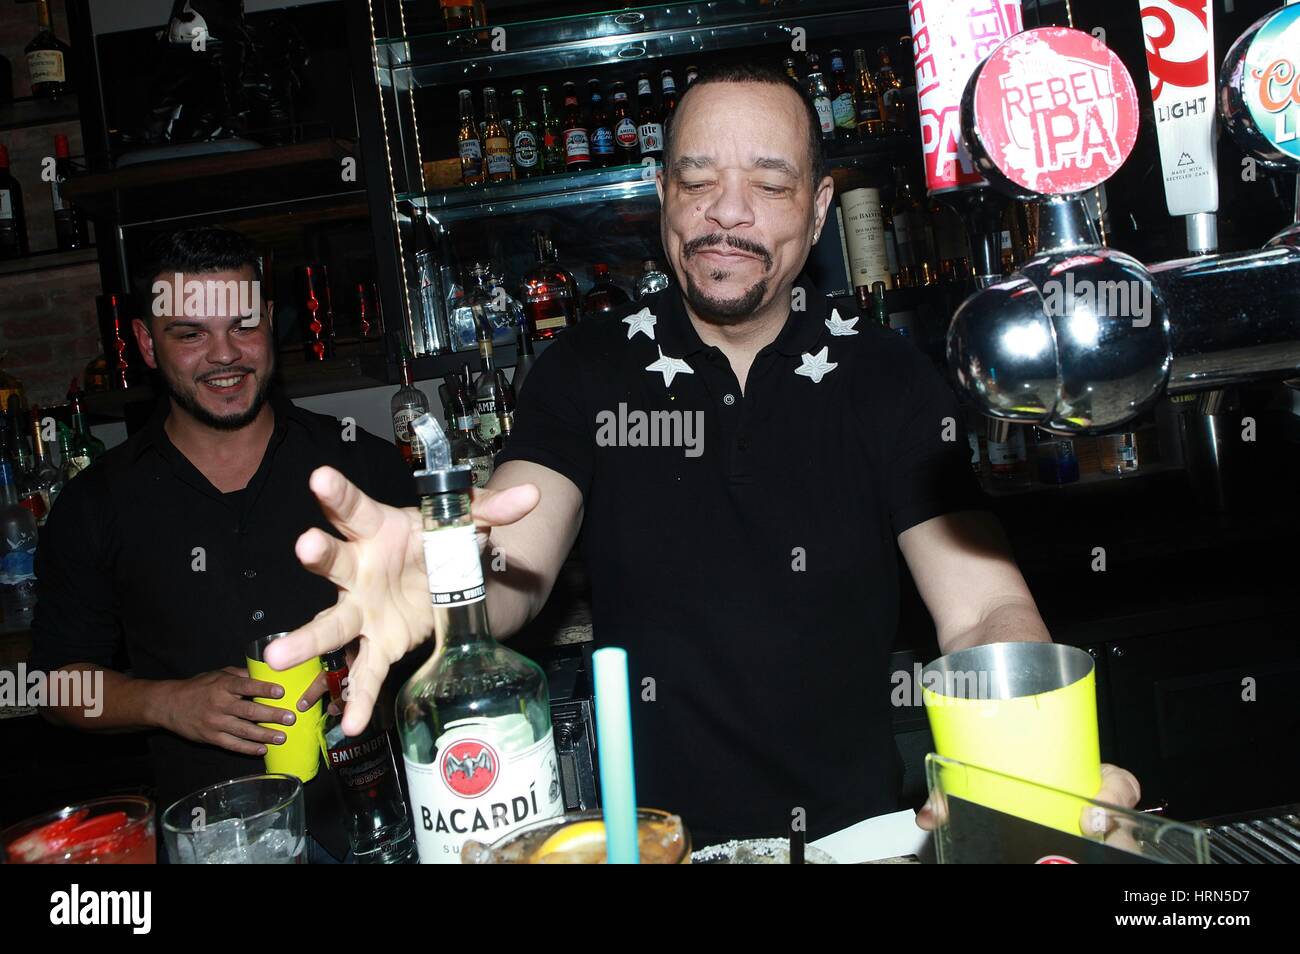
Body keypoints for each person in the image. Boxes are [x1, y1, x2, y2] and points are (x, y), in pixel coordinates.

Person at [268, 64, 1141, 845]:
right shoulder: (584, 367)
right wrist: (445, 587)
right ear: (661, 195)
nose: (728, 212)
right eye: (697, 180)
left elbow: (984, 610)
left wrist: (1026, 764)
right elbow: (516, 562)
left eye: (770, 183)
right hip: (660, 843)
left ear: (821, 207)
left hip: (861, 838)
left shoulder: (889, 377)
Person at [28, 226, 417, 861]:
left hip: (384, 829)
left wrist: (366, 655)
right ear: (147, 345)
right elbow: (53, 687)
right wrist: (166, 701)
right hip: (216, 844)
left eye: (243, 325)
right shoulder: (97, 503)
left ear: (270, 323)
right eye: (190, 334)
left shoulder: (359, 465)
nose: (225, 354)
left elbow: (458, 616)